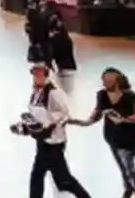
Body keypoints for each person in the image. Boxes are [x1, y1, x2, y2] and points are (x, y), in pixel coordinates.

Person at [11, 64, 92, 198]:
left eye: (39, 73)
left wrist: (48, 124)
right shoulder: (36, 92)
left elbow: (64, 113)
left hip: (53, 143)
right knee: (61, 180)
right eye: (34, 73)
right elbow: (36, 115)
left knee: (42, 176)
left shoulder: (54, 93)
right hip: (43, 141)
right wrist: (26, 126)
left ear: (47, 75)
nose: (36, 76)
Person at [69, 68, 135, 198]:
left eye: (108, 80)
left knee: (129, 169)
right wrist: (75, 121)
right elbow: (93, 117)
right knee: (124, 170)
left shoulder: (131, 97)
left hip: (130, 140)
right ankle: (129, 191)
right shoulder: (102, 95)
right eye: (104, 80)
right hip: (113, 139)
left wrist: (124, 120)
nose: (105, 83)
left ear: (117, 81)